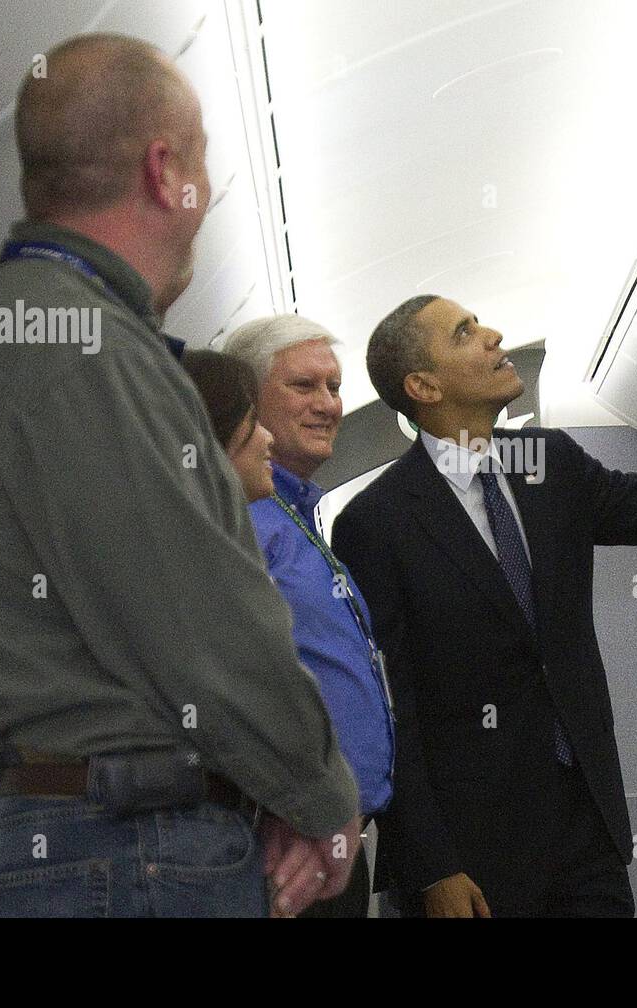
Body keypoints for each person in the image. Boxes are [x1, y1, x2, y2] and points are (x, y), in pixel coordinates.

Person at [0, 32, 358, 918]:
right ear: (163, 171)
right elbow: (197, 616)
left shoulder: (25, 332)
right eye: (204, 164)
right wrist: (318, 794)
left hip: (92, 841)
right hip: (129, 853)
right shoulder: (78, 342)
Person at [331, 284, 637, 917]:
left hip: (585, 830)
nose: (491, 336)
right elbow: (391, 707)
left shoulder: (548, 464)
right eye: (463, 333)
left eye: (480, 321)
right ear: (424, 388)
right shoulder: (376, 521)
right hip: (471, 855)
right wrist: (431, 867)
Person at [224, 316, 396, 918]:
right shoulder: (241, 518)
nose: (329, 404)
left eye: (335, 386)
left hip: (334, 835)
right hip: (279, 840)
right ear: (245, 401)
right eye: (304, 386)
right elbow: (236, 673)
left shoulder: (296, 517)